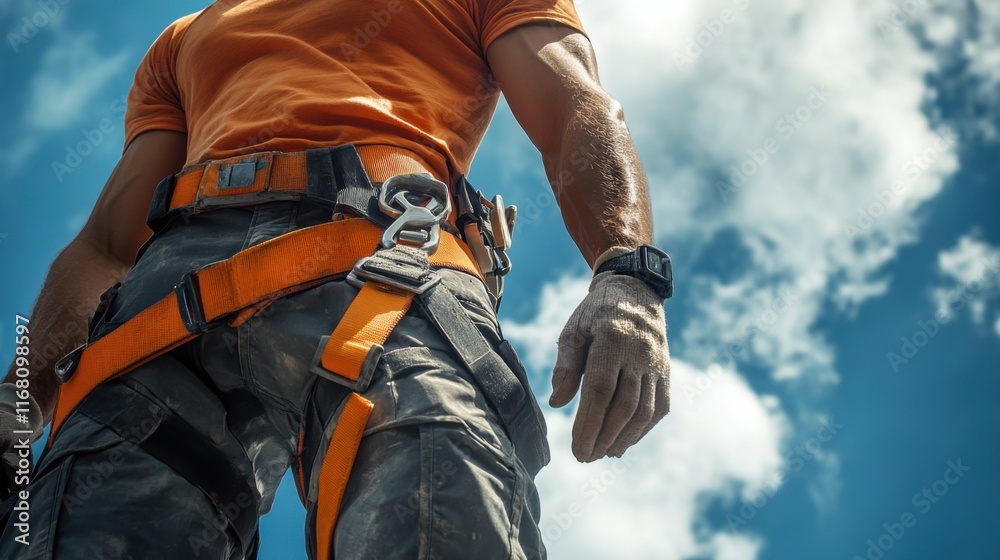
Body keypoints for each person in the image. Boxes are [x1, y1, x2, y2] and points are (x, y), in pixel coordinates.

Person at [0, 0, 672, 558]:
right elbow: (109, 245)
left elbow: (576, 108)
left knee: (446, 509)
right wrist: (15, 408)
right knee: (82, 529)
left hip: (388, 258)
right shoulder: (183, 39)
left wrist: (628, 273)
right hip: (167, 298)